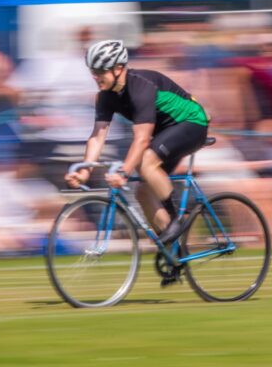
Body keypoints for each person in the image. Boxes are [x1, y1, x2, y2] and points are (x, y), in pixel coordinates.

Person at [64, 39, 210, 247]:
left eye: (100, 71)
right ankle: (176, 254)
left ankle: (177, 218)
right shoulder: (105, 97)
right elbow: (98, 135)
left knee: (145, 163)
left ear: (119, 68)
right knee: (142, 191)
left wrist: (124, 172)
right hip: (165, 133)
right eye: (92, 71)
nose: (95, 76)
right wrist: (85, 171)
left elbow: (141, 139)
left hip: (192, 123)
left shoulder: (141, 87)